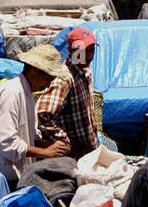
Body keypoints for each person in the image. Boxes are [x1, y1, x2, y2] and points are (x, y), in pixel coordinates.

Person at [0, 45, 70, 185]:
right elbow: (7, 144)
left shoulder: (28, 93)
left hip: (21, 174)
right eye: (47, 80)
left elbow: (28, 138)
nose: (47, 86)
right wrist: (45, 152)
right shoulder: (12, 93)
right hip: (7, 177)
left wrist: (50, 146)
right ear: (35, 70)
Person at [36, 27, 100, 161]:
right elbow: (42, 114)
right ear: (71, 50)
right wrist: (67, 143)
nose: (89, 56)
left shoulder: (86, 72)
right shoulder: (64, 79)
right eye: (83, 51)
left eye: (91, 50)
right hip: (73, 156)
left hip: (88, 150)